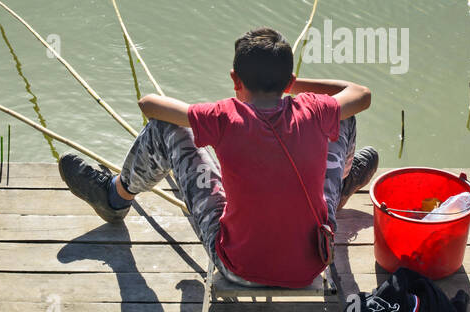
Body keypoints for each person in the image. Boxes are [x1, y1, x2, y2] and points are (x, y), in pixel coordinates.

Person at [58, 27, 378, 288]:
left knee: (165, 129)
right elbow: (359, 92)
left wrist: (209, 111)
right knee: (344, 116)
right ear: (288, 82)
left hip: (238, 267)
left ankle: (114, 197)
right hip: (311, 263)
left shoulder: (224, 116)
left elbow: (149, 104)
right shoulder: (314, 108)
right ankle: (336, 193)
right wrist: (294, 86)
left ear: (235, 80)